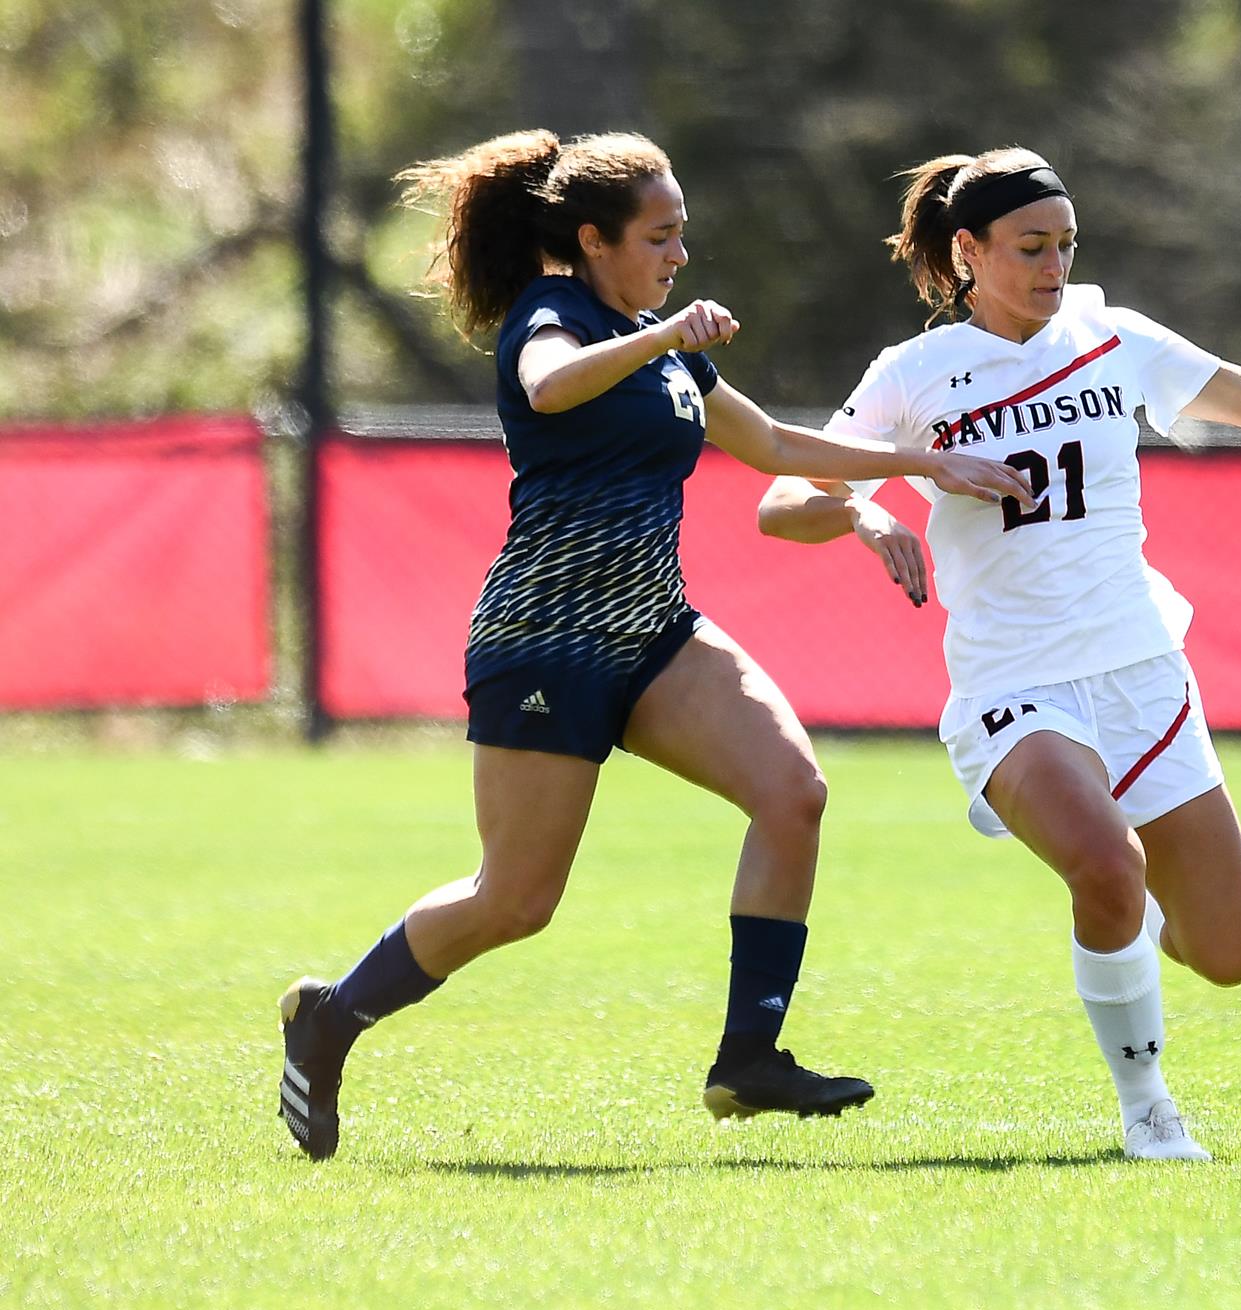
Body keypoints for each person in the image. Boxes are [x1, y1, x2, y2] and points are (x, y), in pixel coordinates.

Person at [758, 147, 1241, 1161]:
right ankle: (1147, 1107)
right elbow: (782, 503)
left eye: (1065, 245)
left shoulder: (1107, 337)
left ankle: (1121, 931)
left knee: (1228, 951)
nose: (1052, 266)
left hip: (1139, 672)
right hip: (1013, 683)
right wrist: (865, 512)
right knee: (1107, 865)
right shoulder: (914, 376)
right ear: (965, 251)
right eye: (1030, 246)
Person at [276, 129, 1032, 1161]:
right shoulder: (557, 317)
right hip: (545, 642)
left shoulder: (658, 334)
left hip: (654, 632)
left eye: (682, 236)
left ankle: (749, 1058)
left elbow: (769, 444)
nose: (679, 253)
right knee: (515, 899)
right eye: (659, 235)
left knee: (792, 792)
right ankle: (333, 1015)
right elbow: (547, 385)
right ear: (592, 241)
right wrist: (662, 332)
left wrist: (920, 462)